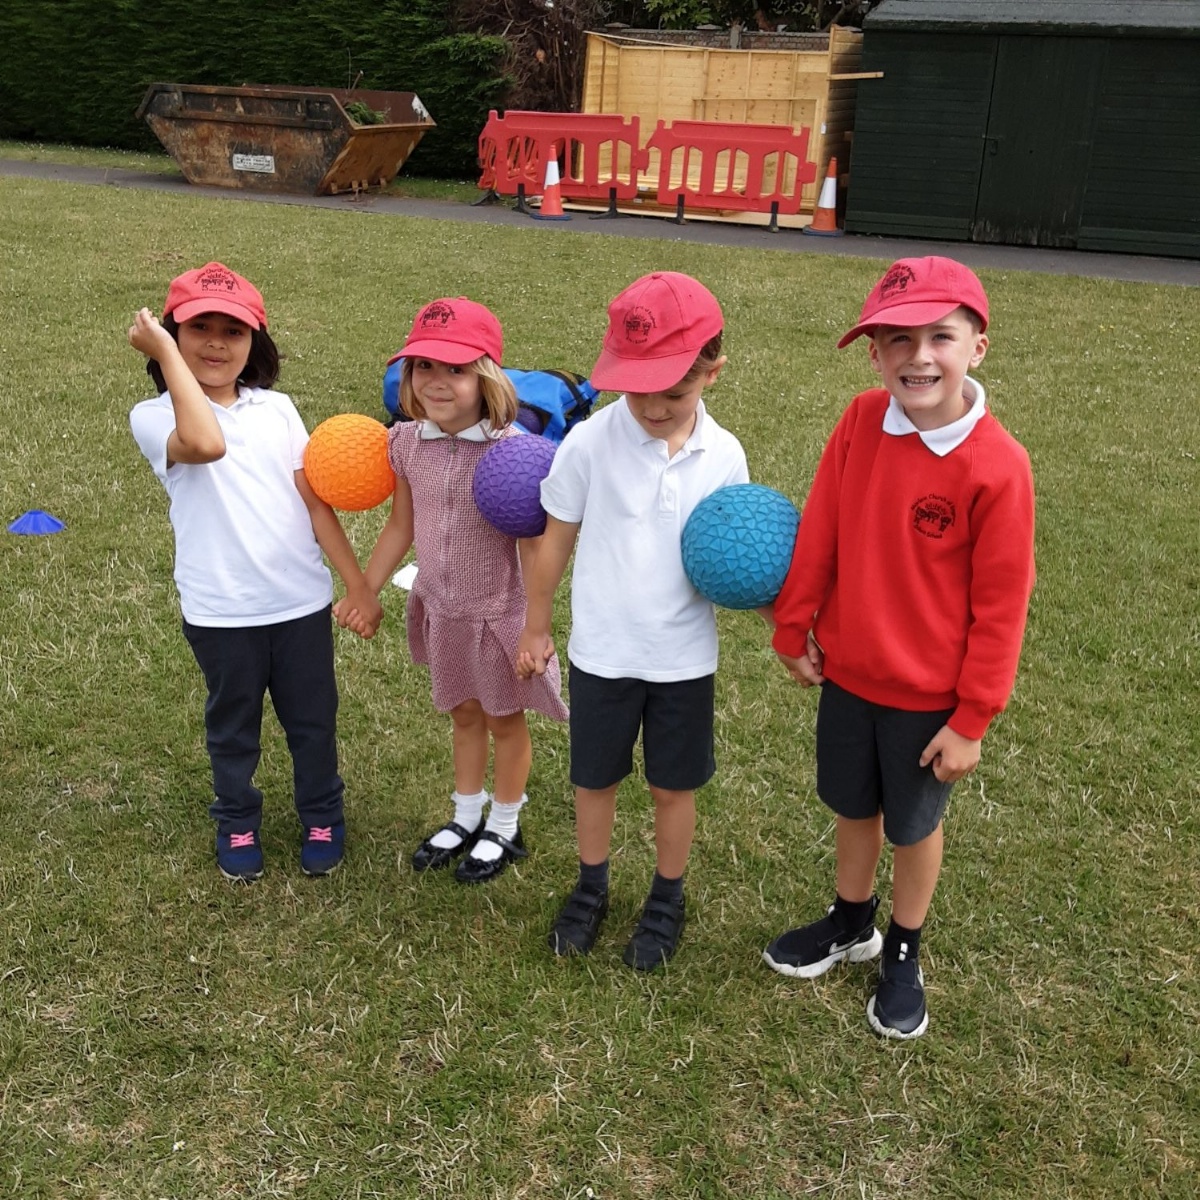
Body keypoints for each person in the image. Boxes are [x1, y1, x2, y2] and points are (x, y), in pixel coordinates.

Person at [763, 256, 1036, 1039]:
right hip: (850, 676)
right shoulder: (859, 421)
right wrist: (793, 625)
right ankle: (851, 920)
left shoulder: (999, 466)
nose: (919, 356)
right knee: (853, 806)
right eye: (896, 339)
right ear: (875, 353)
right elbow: (822, 526)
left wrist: (972, 719)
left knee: (912, 826)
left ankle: (904, 948)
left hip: (929, 701)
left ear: (977, 347)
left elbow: (1001, 607)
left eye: (940, 337)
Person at [517, 271, 749, 971]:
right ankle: (591, 885)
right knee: (595, 779)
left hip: (684, 659)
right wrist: (535, 625)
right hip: (603, 653)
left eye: (673, 390)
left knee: (672, 785)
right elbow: (555, 540)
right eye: (636, 386)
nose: (651, 404)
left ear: (713, 372)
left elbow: (733, 555)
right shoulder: (589, 442)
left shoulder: (725, 455)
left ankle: (667, 896)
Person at [128, 262, 381, 882]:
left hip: (299, 605)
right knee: (233, 728)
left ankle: (322, 815)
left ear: (255, 342)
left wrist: (357, 584)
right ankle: (237, 819)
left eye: (233, 331)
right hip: (221, 611)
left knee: (313, 724)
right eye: (198, 329)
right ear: (172, 338)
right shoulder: (155, 416)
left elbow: (314, 504)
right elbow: (206, 444)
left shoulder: (278, 409)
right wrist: (166, 355)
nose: (216, 343)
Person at [336, 297, 568, 883]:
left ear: (486, 376)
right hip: (442, 606)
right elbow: (401, 526)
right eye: (423, 366)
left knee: (504, 719)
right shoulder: (408, 443)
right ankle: (466, 816)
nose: (436, 381)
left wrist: (536, 627)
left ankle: (504, 826)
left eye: (456, 369)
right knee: (464, 713)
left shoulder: (511, 454)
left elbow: (534, 547)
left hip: (498, 612)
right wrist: (366, 589)